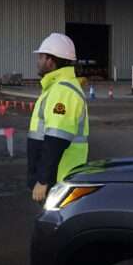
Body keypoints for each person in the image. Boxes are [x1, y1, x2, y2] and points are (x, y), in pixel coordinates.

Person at [27, 32, 89, 202]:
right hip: (57, 179)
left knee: (55, 226)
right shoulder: (56, 88)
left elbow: (56, 140)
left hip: (59, 181)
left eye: (41, 57)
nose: (38, 61)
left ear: (50, 60)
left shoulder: (63, 91)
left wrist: (43, 180)